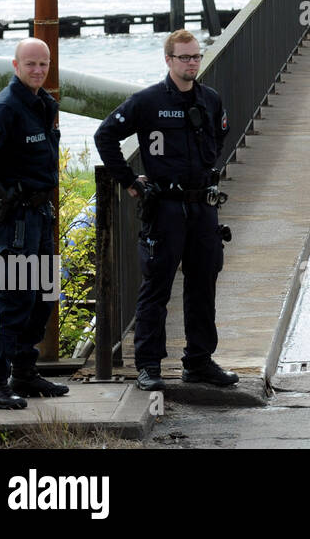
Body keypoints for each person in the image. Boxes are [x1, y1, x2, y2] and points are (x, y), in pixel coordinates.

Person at [94, 30, 237, 392]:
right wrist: (128, 180)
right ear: (168, 60)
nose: (192, 63)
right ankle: (148, 365)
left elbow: (220, 137)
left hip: (203, 207)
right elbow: (105, 135)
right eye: (185, 57)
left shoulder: (210, 100)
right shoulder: (147, 101)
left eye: (196, 57)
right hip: (166, 209)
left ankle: (199, 361)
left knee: (203, 284)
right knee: (156, 288)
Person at [0, 38, 68, 408]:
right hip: (17, 216)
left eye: (44, 64)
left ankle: (25, 372)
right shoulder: (5, 108)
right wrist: (8, 187)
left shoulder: (40, 105)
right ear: (15, 65)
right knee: (14, 301)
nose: (38, 70)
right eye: (31, 64)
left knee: (44, 295)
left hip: (39, 214)